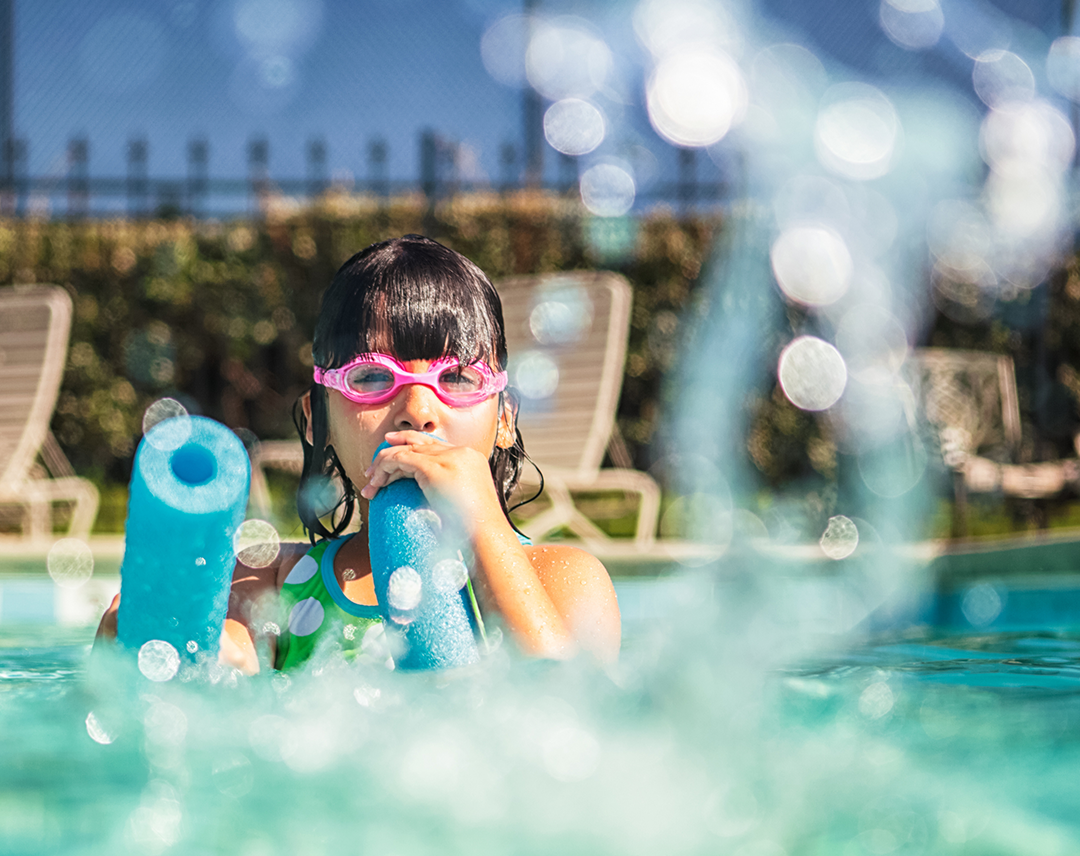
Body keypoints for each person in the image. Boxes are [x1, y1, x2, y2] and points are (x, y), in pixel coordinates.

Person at [98, 235, 621, 673]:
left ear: (505, 419)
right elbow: (216, 670)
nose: (418, 409)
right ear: (314, 420)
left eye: (457, 378)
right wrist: (152, 635)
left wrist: (482, 520)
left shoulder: (560, 575)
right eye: (372, 377)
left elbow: (565, 706)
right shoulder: (275, 580)